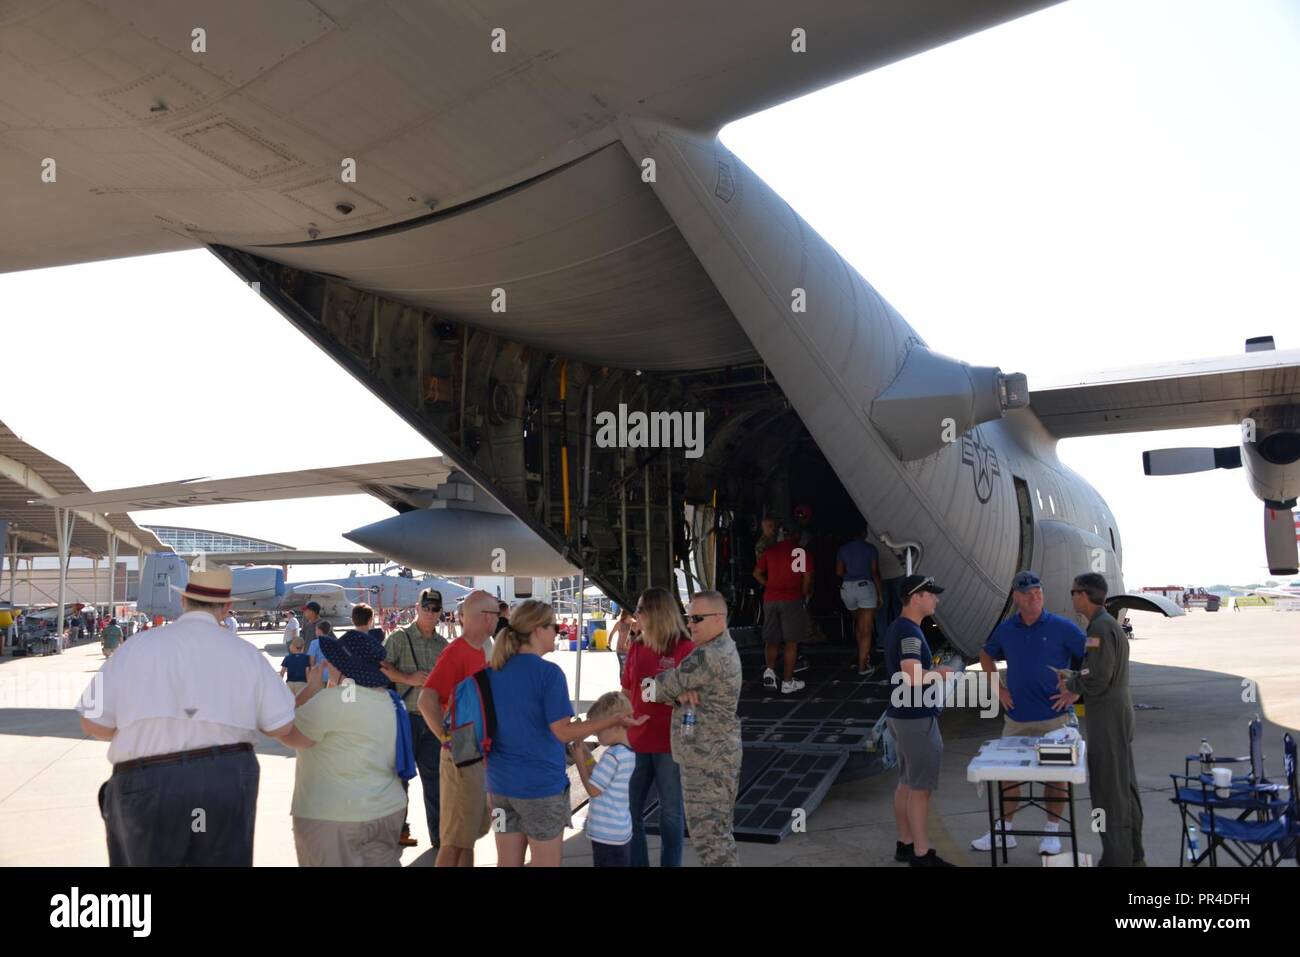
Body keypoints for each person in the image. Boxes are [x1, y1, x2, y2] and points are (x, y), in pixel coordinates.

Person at [76, 565, 310, 866]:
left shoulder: (134, 648)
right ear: (226, 608)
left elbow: (91, 720)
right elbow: (282, 724)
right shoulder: (247, 655)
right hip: (224, 780)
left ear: (184, 602)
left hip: (146, 781)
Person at [484, 599, 645, 867]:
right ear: (537, 630)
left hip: (499, 787)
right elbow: (563, 732)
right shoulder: (548, 674)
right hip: (539, 789)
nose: (557, 632)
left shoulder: (493, 671)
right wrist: (610, 721)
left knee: (506, 862)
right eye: (553, 626)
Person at [972, 570, 1087, 855]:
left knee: (1056, 776)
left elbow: (1094, 654)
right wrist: (998, 690)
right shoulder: (1007, 629)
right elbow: (986, 655)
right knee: (1007, 776)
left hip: (1055, 719)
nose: (1035, 597)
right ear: (1016, 597)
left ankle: (1051, 832)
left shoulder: (1062, 627)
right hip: (1016, 719)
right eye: (1028, 594)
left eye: (1038, 592)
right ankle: (1005, 831)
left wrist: (1076, 690)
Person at [288, 631, 414, 865]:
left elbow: (289, 733)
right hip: (387, 810)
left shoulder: (333, 700)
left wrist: (310, 691)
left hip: (334, 815)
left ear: (344, 666)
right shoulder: (390, 700)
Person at [647, 590, 744, 866]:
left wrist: (657, 686)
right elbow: (674, 689)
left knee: (711, 843)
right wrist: (675, 693)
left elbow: (653, 690)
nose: (690, 624)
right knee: (718, 837)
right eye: (689, 618)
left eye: (697, 618)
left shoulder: (706, 657)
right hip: (715, 757)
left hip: (707, 763)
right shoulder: (722, 647)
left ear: (718, 618)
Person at [1062, 573, 1146, 866]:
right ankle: (1134, 856)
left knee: (1110, 792)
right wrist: (1078, 676)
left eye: (1073, 592)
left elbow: (1096, 678)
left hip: (1108, 721)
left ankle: (1117, 858)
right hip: (1117, 715)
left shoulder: (1098, 628)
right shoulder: (1109, 625)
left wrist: (1071, 683)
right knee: (1125, 786)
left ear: (1084, 595)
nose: (1071, 597)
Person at [416, 589, 495, 867]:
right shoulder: (457, 652)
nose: (498, 620)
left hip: (475, 751)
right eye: (496, 614)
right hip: (463, 749)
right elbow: (426, 700)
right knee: (453, 840)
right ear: (486, 618)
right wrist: (450, 740)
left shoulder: (480, 650)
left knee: (467, 836)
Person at [619, 587, 694, 867]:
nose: (635, 615)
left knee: (671, 813)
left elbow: (698, 695)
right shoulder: (636, 646)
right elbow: (627, 692)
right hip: (637, 741)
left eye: (640, 610)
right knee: (630, 811)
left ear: (657, 613)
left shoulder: (685, 649)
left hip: (670, 743)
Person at [884, 574, 955, 867]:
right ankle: (922, 855)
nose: (936, 598)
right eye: (931, 594)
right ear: (915, 598)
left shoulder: (897, 628)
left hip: (900, 716)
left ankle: (906, 844)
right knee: (920, 789)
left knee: (906, 782)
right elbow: (912, 676)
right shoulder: (910, 633)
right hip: (916, 718)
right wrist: (941, 672)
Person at [382, 588, 450, 851]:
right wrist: (408, 678)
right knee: (400, 780)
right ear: (417, 608)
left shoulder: (443, 646)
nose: (431, 614)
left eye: (435, 609)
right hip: (405, 720)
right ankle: (400, 831)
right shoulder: (399, 638)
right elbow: (381, 668)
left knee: (436, 782)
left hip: (433, 722)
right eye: (426, 608)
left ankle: (440, 838)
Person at [573, 691, 637, 867]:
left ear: (615, 726)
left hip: (606, 834)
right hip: (620, 831)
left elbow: (593, 790)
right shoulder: (626, 753)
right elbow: (598, 773)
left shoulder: (612, 756)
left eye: (599, 730)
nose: (596, 735)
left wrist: (578, 760)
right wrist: (586, 753)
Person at [754, 533, 811, 693]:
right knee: (791, 642)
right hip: (792, 599)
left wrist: (770, 585)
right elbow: (806, 577)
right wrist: (804, 594)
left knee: (772, 639)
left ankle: (770, 671)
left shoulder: (770, 551)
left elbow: (757, 573)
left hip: (770, 599)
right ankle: (787, 681)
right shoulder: (799, 552)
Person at [836, 526, 885, 677]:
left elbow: (838, 572)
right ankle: (863, 665)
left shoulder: (843, 549)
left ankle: (863, 656)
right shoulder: (870, 548)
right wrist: (880, 594)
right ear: (864, 533)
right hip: (865, 587)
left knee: (859, 624)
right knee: (866, 628)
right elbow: (875, 572)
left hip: (847, 588)